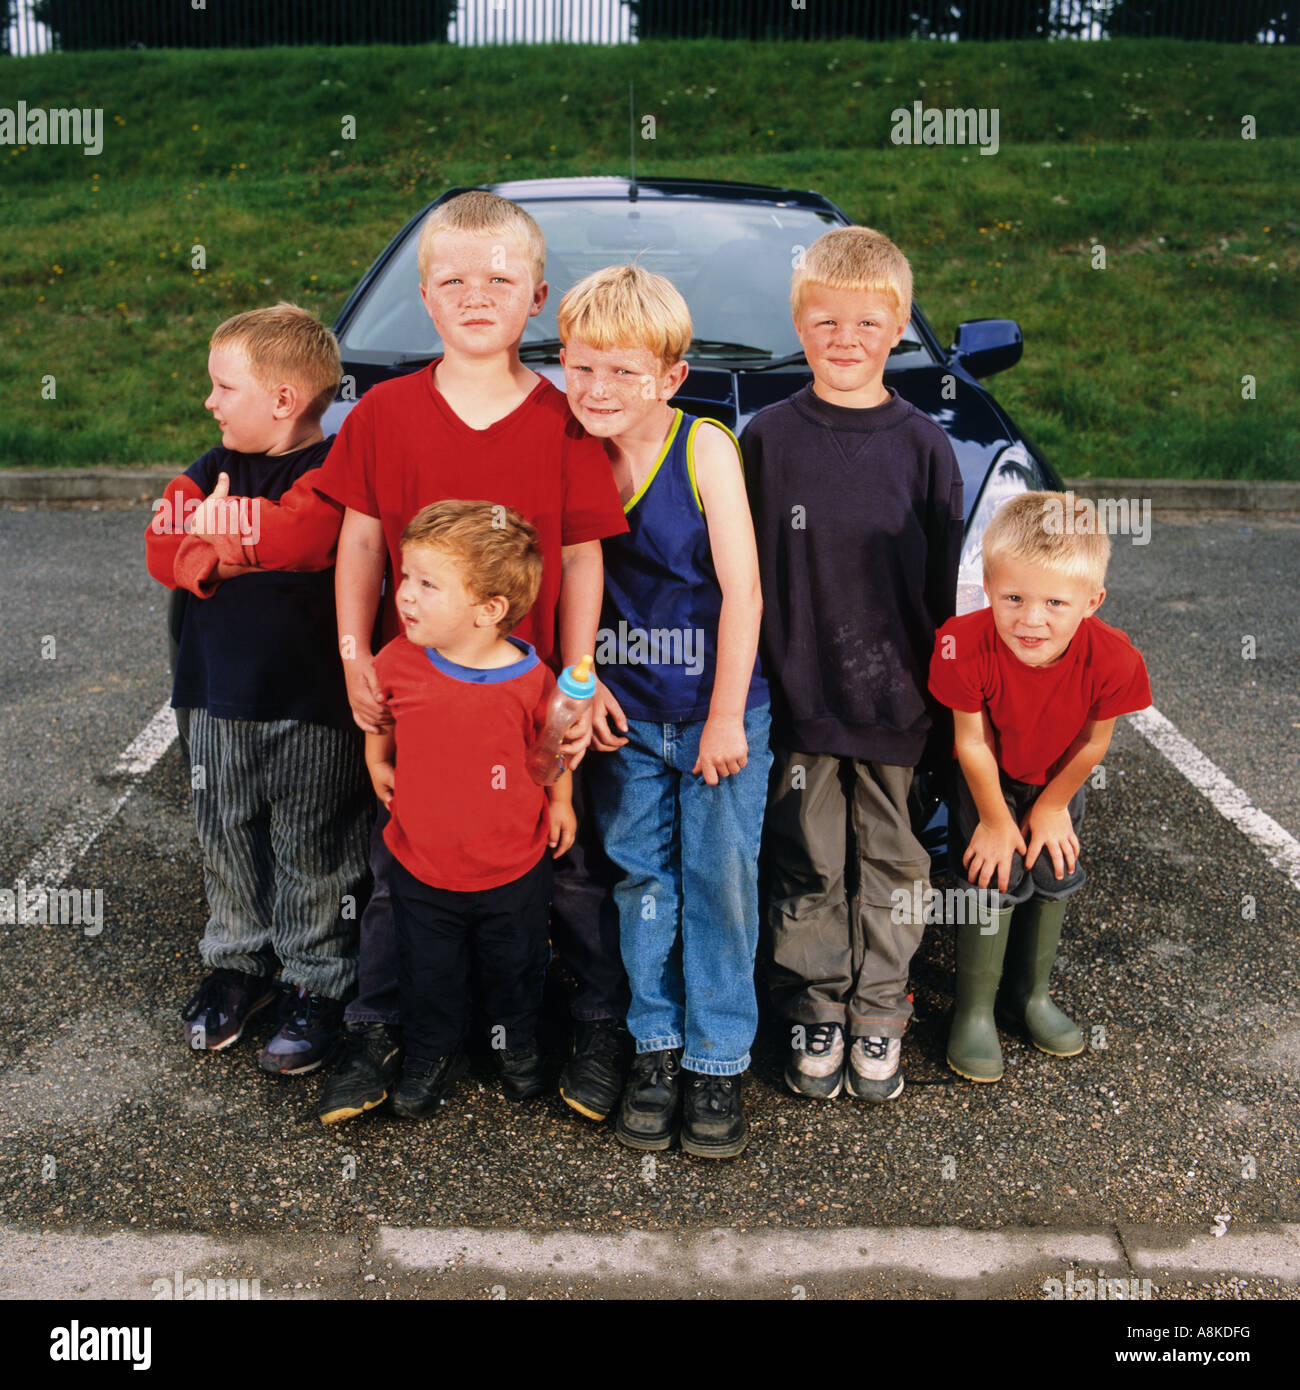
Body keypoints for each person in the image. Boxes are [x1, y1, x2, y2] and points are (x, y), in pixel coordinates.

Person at [279, 190, 629, 1125]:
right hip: (422, 699)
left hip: (528, 698)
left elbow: (583, 553)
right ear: (425, 300)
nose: (478, 296)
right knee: (403, 871)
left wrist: (580, 673)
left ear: (538, 296)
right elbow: (357, 543)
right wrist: (356, 651)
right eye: (455, 281)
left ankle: (589, 1024)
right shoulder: (386, 415)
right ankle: (382, 1025)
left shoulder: (564, 420)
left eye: (501, 280)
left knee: (565, 858)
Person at [743, 225, 964, 1103]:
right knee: (808, 864)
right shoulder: (766, 438)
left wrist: (942, 707)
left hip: (896, 706)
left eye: (867, 324)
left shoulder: (923, 446)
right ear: (800, 324)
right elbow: (746, 579)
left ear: (900, 325)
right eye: (826, 321)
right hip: (800, 701)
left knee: (896, 867)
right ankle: (818, 1007)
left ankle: (881, 1012)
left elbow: (942, 593)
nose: (845, 339)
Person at [559, 265, 771, 1157]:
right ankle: (656, 1044)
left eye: (624, 372)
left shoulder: (705, 448)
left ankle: (719, 1057)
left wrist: (725, 715)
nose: (599, 390)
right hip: (630, 713)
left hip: (717, 711)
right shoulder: (573, 449)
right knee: (643, 879)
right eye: (582, 369)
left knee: (719, 881)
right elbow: (579, 582)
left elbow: (745, 593)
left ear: (671, 377)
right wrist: (585, 678)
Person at [144, 302, 371, 1075]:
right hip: (213, 695)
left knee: (316, 842)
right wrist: (220, 552)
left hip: (312, 701)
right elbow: (160, 542)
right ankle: (237, 961)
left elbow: (306, 537)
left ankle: (316, 978)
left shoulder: (337, 468)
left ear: (282, 399)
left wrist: (226, 534)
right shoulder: (210, 465)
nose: (209, 402)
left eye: (222, 387)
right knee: (226, 829)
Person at [928, 491, 1152, 1083]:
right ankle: (974, 1011)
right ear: (987, 586)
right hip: (986, 778)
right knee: (991, 872)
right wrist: (997, 820)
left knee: (1052, 866)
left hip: (1057, 779)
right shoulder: (961, 641)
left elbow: (1094, 744)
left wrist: (1052, 806)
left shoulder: (1115, 658)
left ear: (1092, 600)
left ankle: (1028, 997)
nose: (1032, 619)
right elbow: (971, 744)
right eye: (1014, 598)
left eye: (1056, 601)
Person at [366, 501, 575, 1114]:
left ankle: (515, 1045)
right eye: (405, 577)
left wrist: (561, 801)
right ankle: (431, 1051)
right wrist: (378, 762)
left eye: (427, 585)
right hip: (422, 865)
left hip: (514, 865)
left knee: (516, 965)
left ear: (489, 611)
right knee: (428, 972)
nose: (405, 595)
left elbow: (553, 749)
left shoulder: (534, 680)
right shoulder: (398, 661)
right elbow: (381, 714)